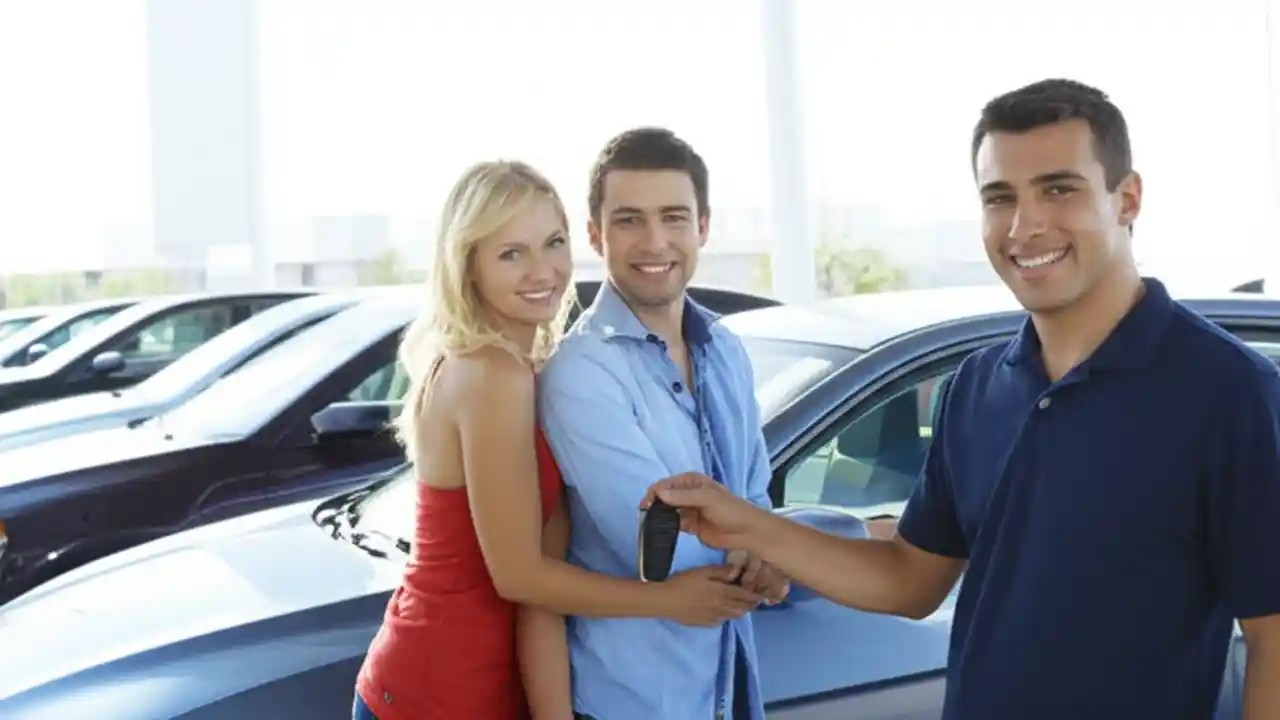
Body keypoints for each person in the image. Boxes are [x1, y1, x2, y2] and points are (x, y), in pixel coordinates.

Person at [641, 79, 1280, 719]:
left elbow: (1272, 638)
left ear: (1127, 199)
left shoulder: (1230, 393)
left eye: (1059, 189)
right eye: (1000, 198)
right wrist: (747, 523)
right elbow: (910, 579)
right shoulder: (975, 387)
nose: (1025, 226)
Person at [351, 160, 767, 720]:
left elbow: (550, 549)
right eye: (510, 253)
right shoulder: (491, 374)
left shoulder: (528, 369)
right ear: (468, 266)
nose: (542, 270)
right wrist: (670, 600)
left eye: (553, 243)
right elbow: (519, 575)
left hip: (493, 686)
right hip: (439, 689)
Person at [536, 127, 790, 720]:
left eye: (674, 217)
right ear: (596, 234)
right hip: (634, 703)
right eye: (629, 220)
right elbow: (657, 550)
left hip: (729, 687)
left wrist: (772, 548)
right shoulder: (581, 372)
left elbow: (755, 502)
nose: (655, 241)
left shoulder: (726, 350)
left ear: (703, 226)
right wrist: (782, 554)